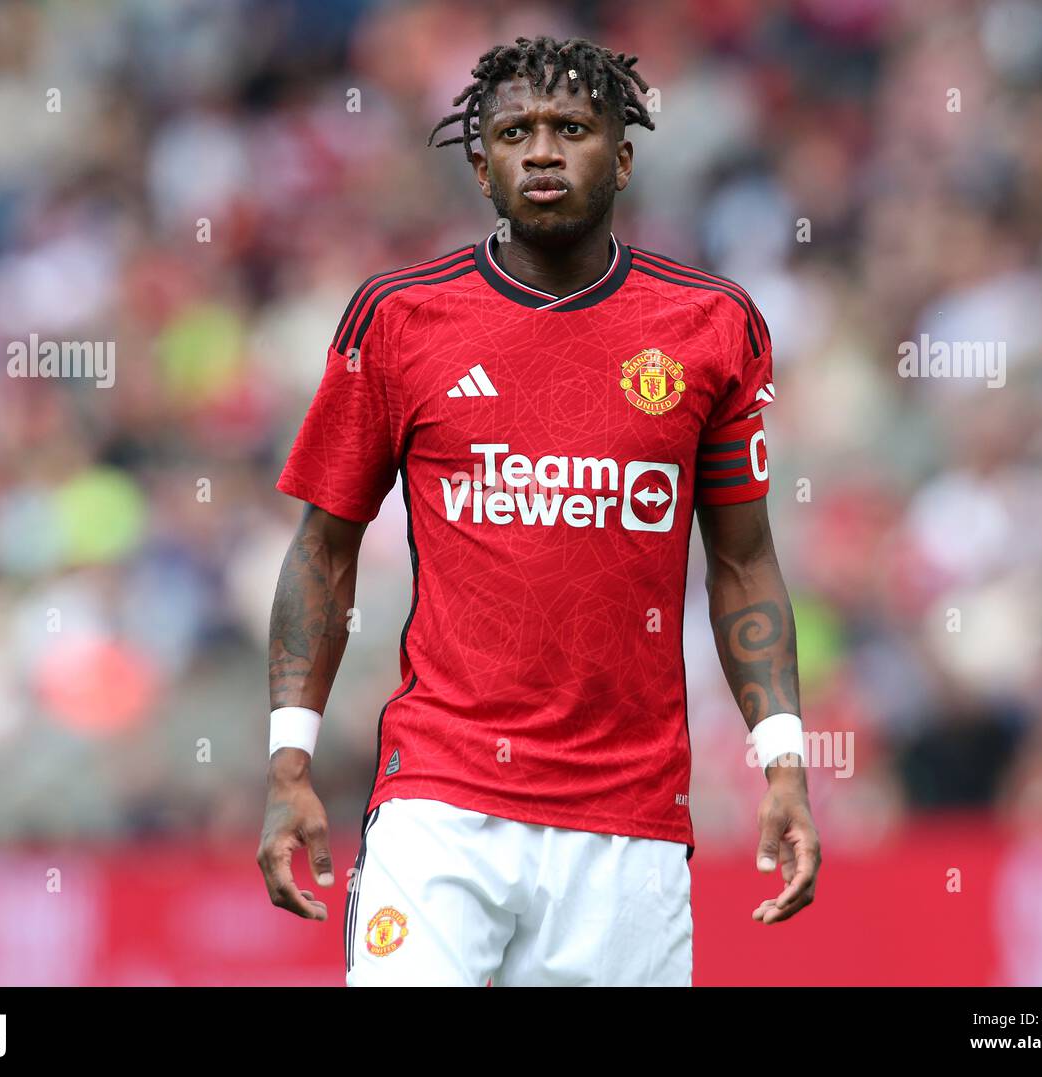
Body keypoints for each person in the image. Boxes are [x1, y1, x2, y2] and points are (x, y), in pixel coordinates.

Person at [256, 34, 820, 987]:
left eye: (572, 128)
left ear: (625, 155)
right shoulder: (398, 319)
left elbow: (742, 560)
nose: (544, 151)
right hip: (441, 802)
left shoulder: (712, 326)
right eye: (515, 132)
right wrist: (287, 762)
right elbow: (324, 546)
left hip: (626, 823)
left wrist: (784, 760)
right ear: (481, 167)